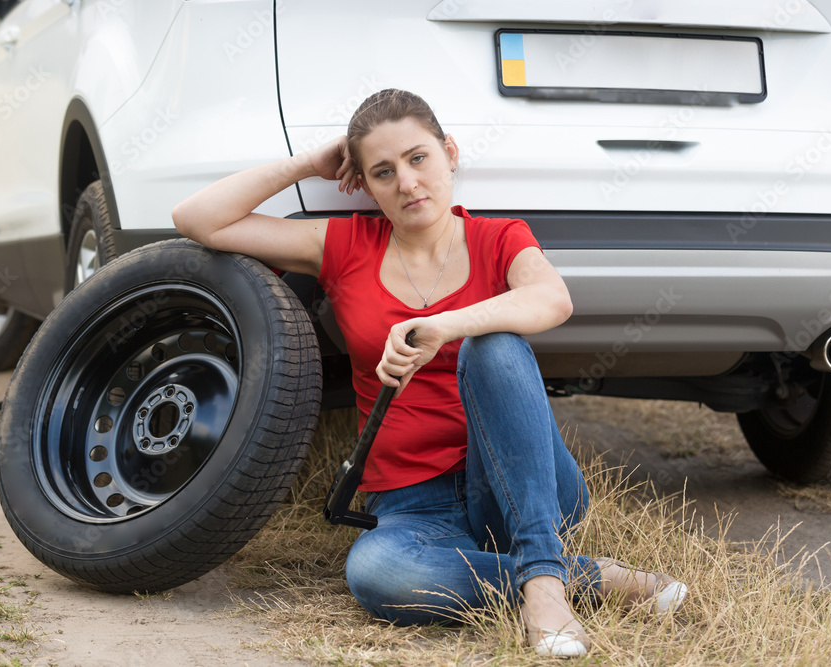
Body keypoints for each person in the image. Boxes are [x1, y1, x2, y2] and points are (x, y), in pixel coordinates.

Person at [171, 88, 687, 658]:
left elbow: (552, 300)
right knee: (378, 574)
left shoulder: (498, 238)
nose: (408, 183)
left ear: (450, 153)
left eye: (419, 159)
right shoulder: (344, 245)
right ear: (364, 184)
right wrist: (308, 164)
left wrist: (447, 325)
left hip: (520, 486)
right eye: (384, 172)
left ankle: (542, 579)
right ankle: (588, 578)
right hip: (411, 504)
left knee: (492, 346)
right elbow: (198, 220)